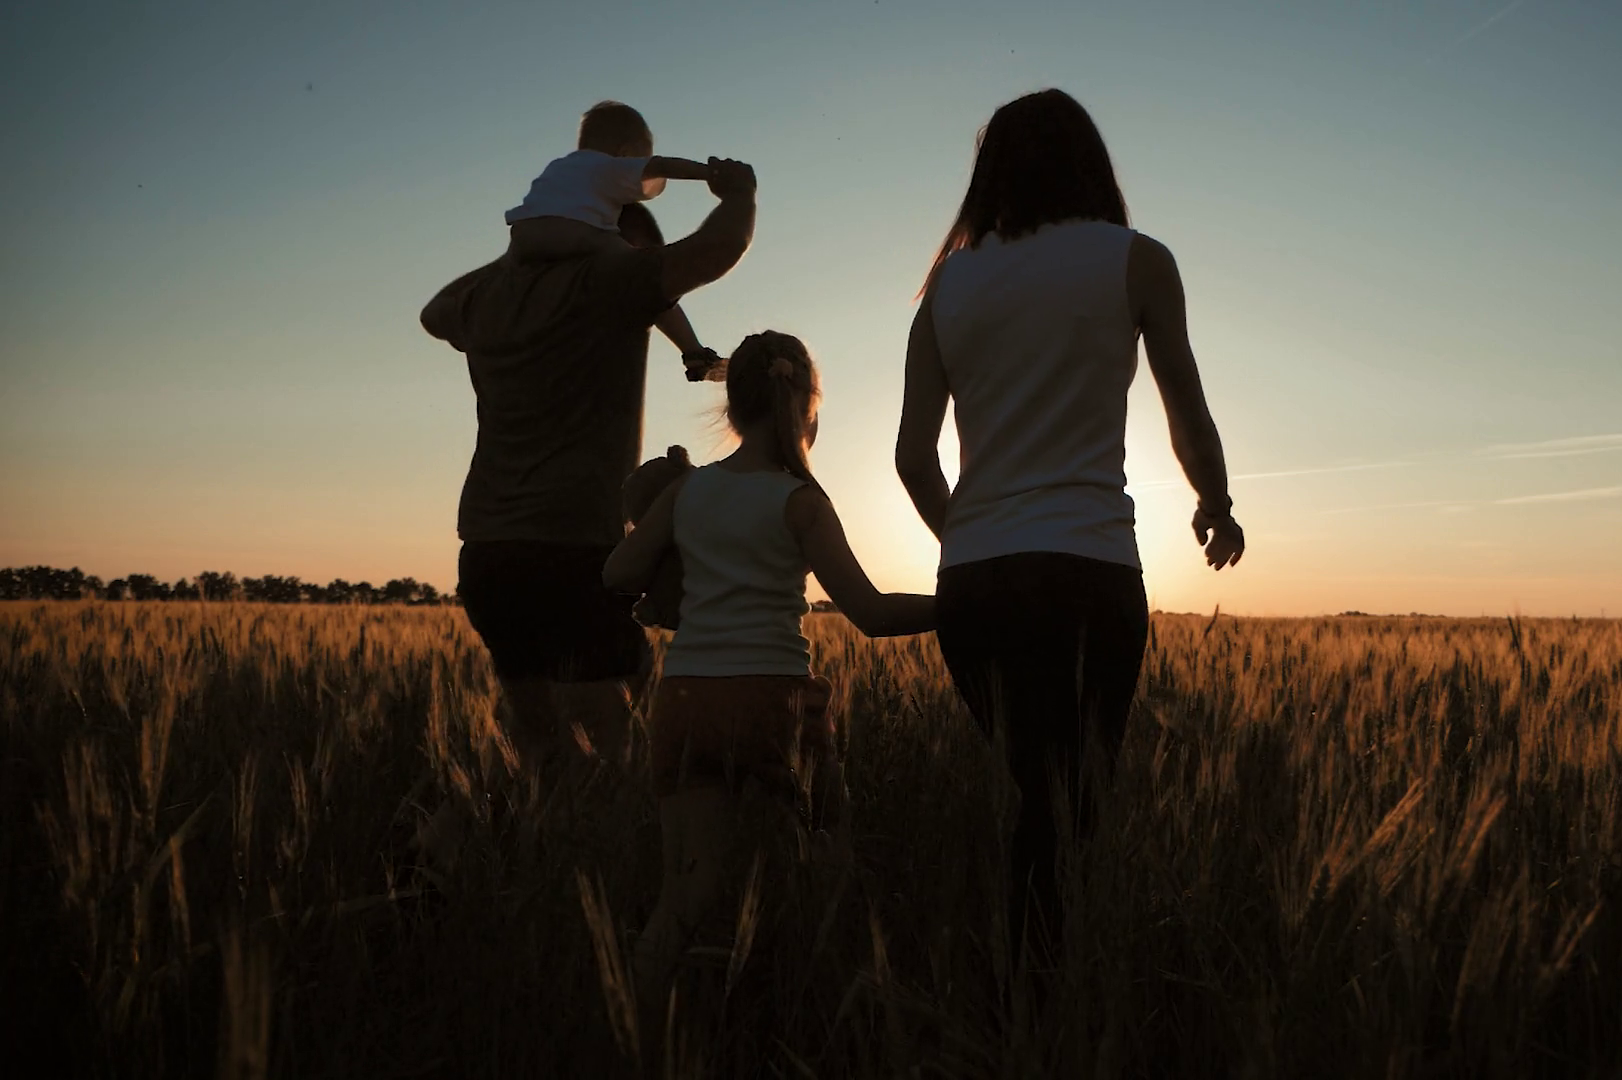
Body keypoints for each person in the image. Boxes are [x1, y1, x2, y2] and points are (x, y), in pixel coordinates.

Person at [894, 89, 1246, 961]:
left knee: (1036, 796)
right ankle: (1037, 995)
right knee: (1069, 807)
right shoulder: (1137, 261)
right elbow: (1186, 409)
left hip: (975, 585)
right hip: (1087, 573)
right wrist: (1216, 504)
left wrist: (968, 538)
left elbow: (912, 457)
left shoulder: (946, 286)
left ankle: (1018, 987)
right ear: (1091, 162)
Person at [603, 330, 936, 1023]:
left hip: (687, 701)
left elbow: (618, 573)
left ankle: (630, 1030)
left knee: (683, 897)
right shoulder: (800, 502)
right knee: (826, 867)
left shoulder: (687, 491)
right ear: (806, 406)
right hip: (774, 702)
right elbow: (872, 614)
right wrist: (963, 605)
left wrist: (675, 566)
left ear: (731, 408)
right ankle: (822, 1022)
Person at [418, 157, 758, 834]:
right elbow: (716, 248)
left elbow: (435, 313)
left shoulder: (493, 297)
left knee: (539, 747)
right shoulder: (609, 281)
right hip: (573, 542)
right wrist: (738, 193)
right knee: (609, 750)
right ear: (612, 242)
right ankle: (592, 868)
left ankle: (513, 861)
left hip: (489, 552)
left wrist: (524, 249)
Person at [507, 100, 725, 380]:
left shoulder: (559, 167)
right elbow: (661, 166)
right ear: (625, 154)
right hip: (572, 233)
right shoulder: (606, 166)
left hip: (523, 236)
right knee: (647, 278)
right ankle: (693, 353)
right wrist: (709, 173)